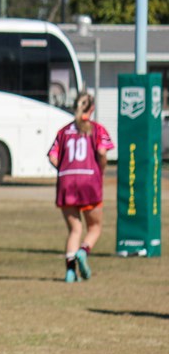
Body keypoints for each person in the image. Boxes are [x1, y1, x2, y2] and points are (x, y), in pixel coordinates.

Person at [48, 91, 113, 283]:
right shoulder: (97, 129)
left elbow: (52, 156)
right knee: (94, 227)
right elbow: (102, 151)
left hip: (66, 182)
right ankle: (83, 252)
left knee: (74, 229)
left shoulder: (63, 131)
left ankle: (70, 272)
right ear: (92, 108)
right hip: (89, 181)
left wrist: (64, 169)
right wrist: (101, 169)